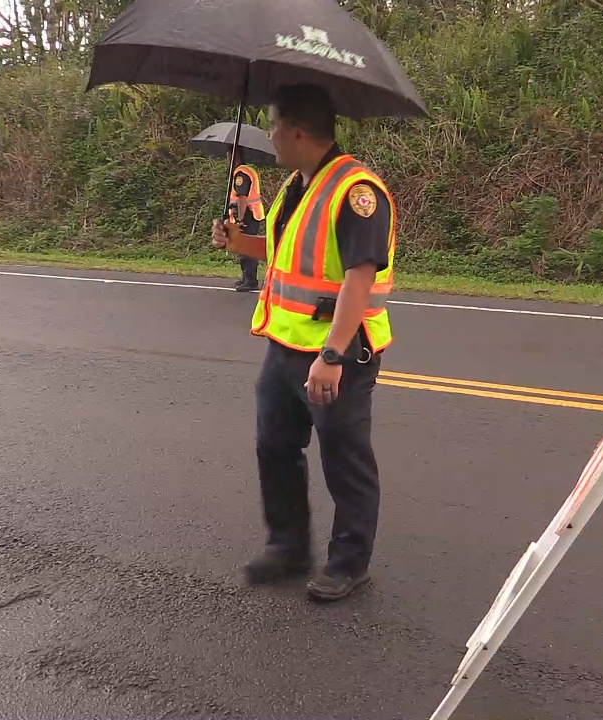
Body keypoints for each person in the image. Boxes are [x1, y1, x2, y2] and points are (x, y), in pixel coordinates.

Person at [211, 83, 397, 602]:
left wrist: (332, 356)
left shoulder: (357, 192)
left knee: (344, 457)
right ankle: (289, 546)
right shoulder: (299, 185)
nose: (267, 137)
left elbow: (360, 278)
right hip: (284, 346)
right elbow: (286, 257)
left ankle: (349, 562)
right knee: (274, 446)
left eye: (271, 127)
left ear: (296, 131)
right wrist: (238, 242)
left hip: (337, 354)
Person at [227, 148, 265, 292]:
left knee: (247, 248)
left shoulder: (241, 174)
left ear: (234, 156)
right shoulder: (248, 170)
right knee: (243, 247)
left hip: (247, 215)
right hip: (252, 214)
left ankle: (250, 280)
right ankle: (246, 278)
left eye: (229, 156)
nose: (228, 160)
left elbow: (242, 198)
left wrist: (240, 219)